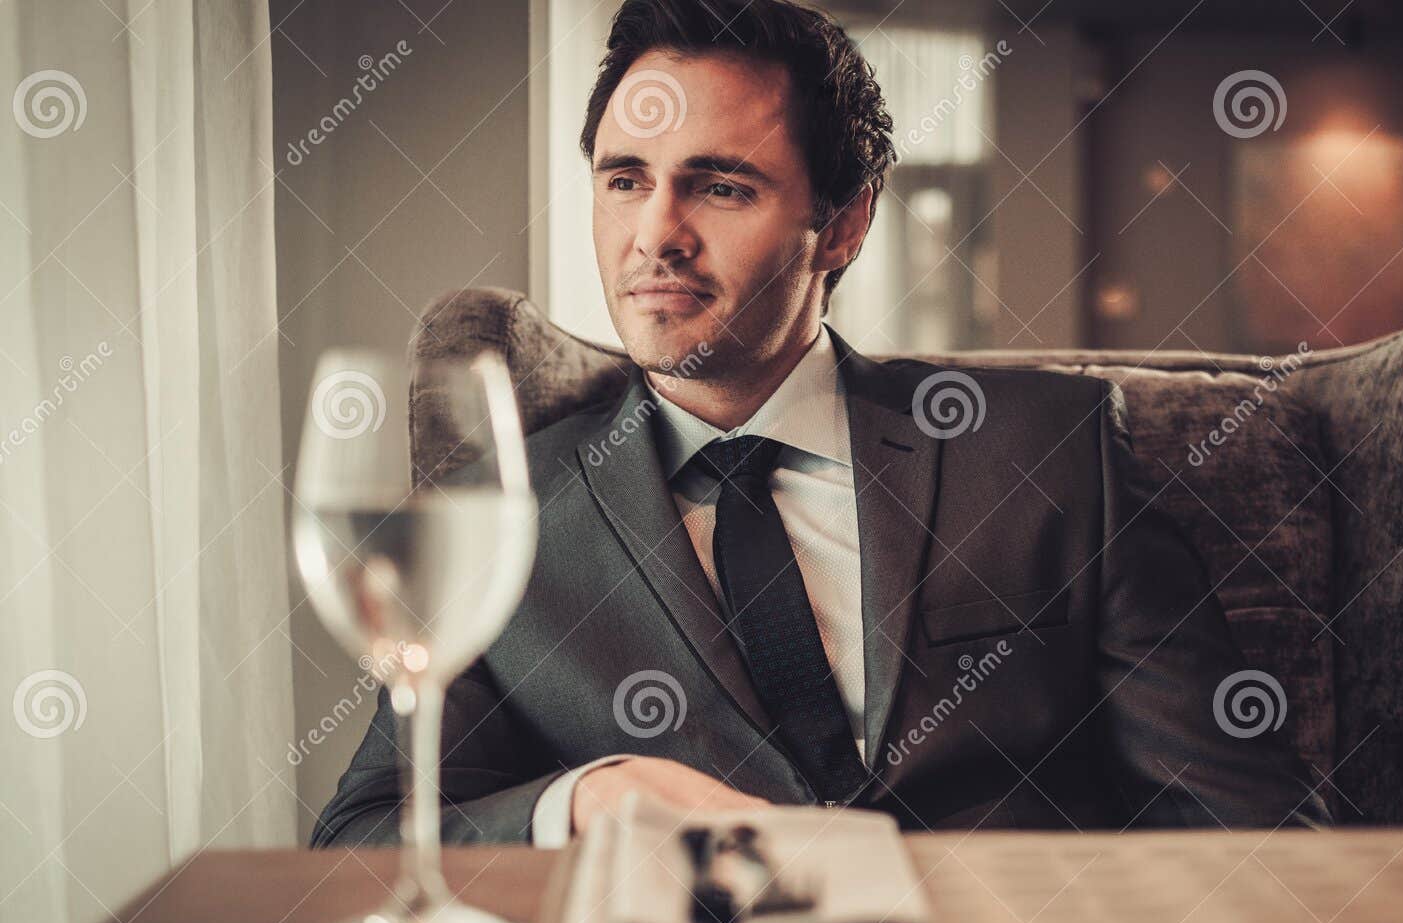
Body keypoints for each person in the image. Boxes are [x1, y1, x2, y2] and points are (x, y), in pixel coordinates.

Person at [312, 0, 1330, 849]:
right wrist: (585, 799)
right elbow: (361, 837)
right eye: (625, 179)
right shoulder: (505, 516)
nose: (654, 234)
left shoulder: (1046, 453)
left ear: (843, 222)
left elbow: (1244, 820)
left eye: (719, 186)